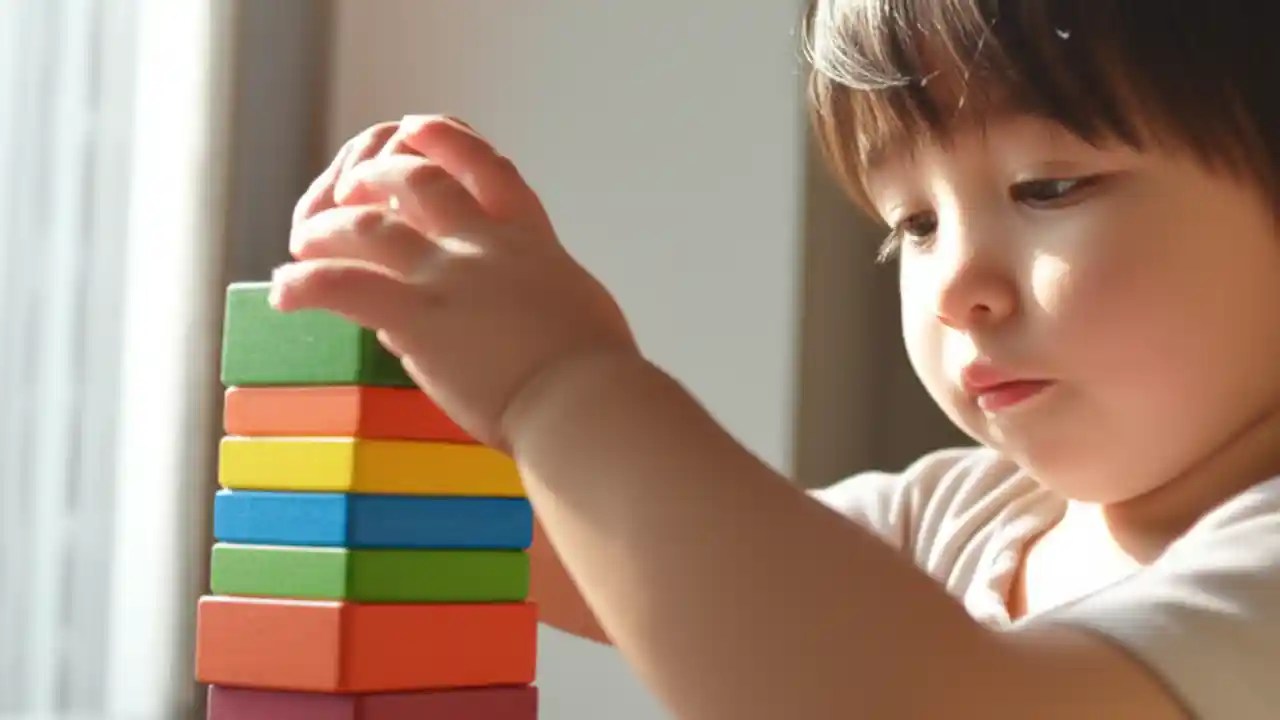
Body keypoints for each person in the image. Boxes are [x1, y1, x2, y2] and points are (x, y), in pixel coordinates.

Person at [268, 0, 1279, 716]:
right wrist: (413, 372)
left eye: (1048, 189)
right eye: (914, 223)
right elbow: (623, 564)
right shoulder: (955, 517)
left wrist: (559, 384)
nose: (955, 285)